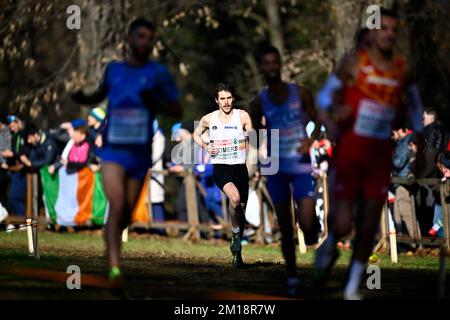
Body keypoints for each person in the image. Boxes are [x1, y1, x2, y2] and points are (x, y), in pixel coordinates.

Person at [314, 8, 425, 299]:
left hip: (378, 157)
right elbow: (323, 99)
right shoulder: (353, 63)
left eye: (393, 29)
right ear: (373, 32)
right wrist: (334, 120)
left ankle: (351, 288)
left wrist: (419, 136)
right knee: (342, 224)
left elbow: (415, 106)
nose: (389, 34)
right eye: (384, 28)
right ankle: (328, 249)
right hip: (350, 153)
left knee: (368, 225)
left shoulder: (404, 68)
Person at [71, 18, 182, 287]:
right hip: (113, 151)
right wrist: (84, 99)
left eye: (149, 38)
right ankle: (115, 268)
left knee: (127, 214)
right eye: (140, 36)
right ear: (130, 38)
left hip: (139, 152)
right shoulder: (114, 70)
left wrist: (153, 100)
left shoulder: (159, 74)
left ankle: (111, 245)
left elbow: (177, 111)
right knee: (117, 205)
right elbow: (101, 94)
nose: (145, 42)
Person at [249, 45, 321, 295]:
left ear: (279, 64)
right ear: (262, 67)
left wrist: (311, 140)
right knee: (286, 228)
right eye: (266, 63)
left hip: (300, 163)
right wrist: (262, 149)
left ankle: (314, 229)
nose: (270, 67)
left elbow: (319, 118)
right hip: (276, 166)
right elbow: (255, 137)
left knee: (307, 224)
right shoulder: (258, 103)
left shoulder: (300, 93)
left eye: (274, 62)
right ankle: (292, 279)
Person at [193, 83, 252, 268]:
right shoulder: (209, 119)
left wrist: (248, 133)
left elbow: (251, 130)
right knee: (234, 198)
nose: (226, 102)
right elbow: (195, 135)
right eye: (222, 99)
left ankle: (237, 249)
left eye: (229, 98)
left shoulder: (241, 115)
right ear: (217, 100)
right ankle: (235, 236)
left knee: (240, 211)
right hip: (221, 167)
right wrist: (205, 145)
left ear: (232, 99)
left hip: (240, 168)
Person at [391, 128, 415, 237]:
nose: (392, 136)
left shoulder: (405, 142)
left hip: (403, 182)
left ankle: (417, 244)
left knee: (407, 214)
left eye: (393, 133)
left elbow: (398, 162)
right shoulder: (402, 142)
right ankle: (403, 245)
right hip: (400, 181)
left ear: (400, 130)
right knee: (397, 214)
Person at [1, 116, 26, 217]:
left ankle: (22, 220)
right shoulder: (13, 136)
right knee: (12, 196)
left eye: (14, 125)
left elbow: (22, 152)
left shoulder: (22, 135)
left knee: (15, 196)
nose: (12, 128)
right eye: (10, 126)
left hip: (22, 170)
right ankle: (17, 221)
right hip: (13, 169)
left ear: (18, 124)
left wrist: (12, 154)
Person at [0, 113, 11, 208]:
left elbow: (7, 150)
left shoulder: (7, 133)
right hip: (2, 166)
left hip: (6, 167)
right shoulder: (3, 133)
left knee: (7, 196)